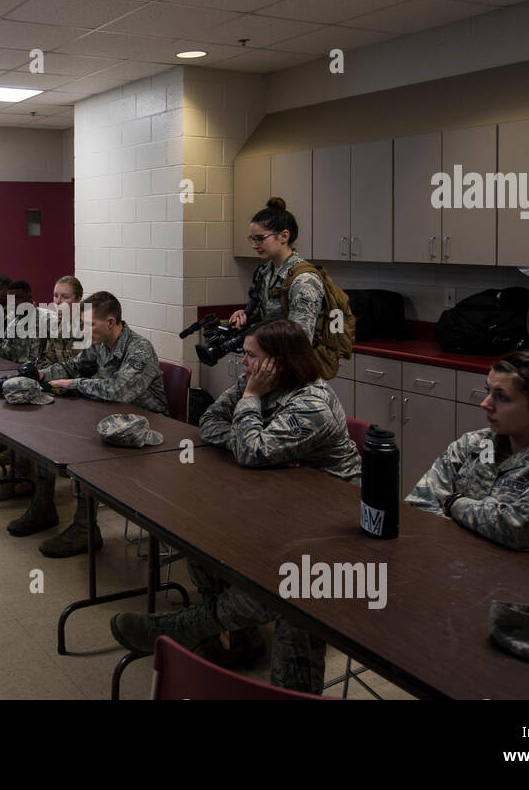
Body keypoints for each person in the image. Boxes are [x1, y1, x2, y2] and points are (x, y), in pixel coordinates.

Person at [109, 319, 358, 694]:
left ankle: (188, 627)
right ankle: (235, 639)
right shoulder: (255, 382)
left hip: (329, 526)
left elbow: (252, 450)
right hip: (274, 499)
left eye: (251, 355)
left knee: (288, 589)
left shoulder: (312, 405)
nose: (242, 362)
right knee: (196, 531)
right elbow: (208, 421)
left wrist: (251, 425)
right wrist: (248, 437)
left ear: (279, 363)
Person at [406, 350, 529, 560]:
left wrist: (453, 502)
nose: (485, 403)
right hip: (455, 564)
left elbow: (519, 529)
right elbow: (418, 505)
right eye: (488, 391)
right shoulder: (475, 445)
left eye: (502, 397)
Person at [16, 291, 167, 558]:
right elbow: (76, 366)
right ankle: (43, 508)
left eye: (89, 324)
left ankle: (85, 528)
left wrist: (73, 385)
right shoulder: (100, 344)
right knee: (48, 437)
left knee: (81, 451)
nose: (84, 330)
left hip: (144, 429)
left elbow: (118, 391)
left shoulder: (139, 348)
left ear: (111, 322)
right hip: (111, 419)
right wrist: (42, 374)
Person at [0, 276, 84, 502]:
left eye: (65, 297)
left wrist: (46, 378)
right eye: (55, 297)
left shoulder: (85, 326)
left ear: (78, 300)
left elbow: (81, 368)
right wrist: (34, 374)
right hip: (58, 386)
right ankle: (21, 477)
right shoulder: (57, 324)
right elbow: (48, 359)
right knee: (20, 401)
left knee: (32, 418)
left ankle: (31, 487)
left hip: (78, 393)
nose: (59, 302)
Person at [228, 197, 324, 343]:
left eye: (260, 238)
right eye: (252, 239)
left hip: (292, 363)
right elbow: (265, 317)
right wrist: (245, 316)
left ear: (284, 236)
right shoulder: (265, 272)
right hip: (268, 356)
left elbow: (300, 342)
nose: (255, 245)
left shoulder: (304, 280)